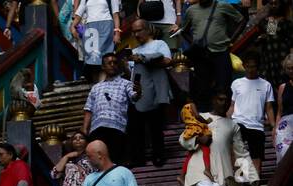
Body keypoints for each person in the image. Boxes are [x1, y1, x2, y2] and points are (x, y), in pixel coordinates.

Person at [126, 20, 173, 168]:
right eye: (134, 32)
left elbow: (167, 61)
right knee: (136, 128)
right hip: (139, 93)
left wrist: (144, 59)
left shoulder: (160, 44)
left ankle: (158, 155)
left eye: (139, 30)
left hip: (156, 90)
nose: (136, 34)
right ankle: (138, 157)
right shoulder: (134, 50)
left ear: (148, 30)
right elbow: (132, 73)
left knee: (156, 127)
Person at [181, 0, 245, 107]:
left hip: (221, 52)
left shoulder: (223, 6)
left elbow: (242, 21)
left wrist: (231, 40)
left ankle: (223, 115)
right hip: (201, 55)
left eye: (275, 3)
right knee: (202, 87)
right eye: (271, 3)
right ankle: (205, 116)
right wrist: (195, 44)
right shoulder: (191, 10)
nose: (273, 5)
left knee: (223, 86)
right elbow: (184, 30)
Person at [81, 53, 135, 165]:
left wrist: (139, 92)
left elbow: (134, 96)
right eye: (109, 63)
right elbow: (88, 109)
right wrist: (85, 129)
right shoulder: (96, 87)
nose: (112, 65)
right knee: (98, 162)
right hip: (97, 129)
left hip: (117, 128)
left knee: (115, 161)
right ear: (103, 67)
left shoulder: (126, 83)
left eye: (115, 62)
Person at [231, 51, 277, 179]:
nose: (251, 69)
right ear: (244, 66)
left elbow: (269, 108)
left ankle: (255, 179)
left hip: (257, 125)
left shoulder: (266, 84)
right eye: (248, 66)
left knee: (257, 154)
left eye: (254, 66)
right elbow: (232, 105)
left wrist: (273, 126)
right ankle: (241, 176)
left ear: (258, 67)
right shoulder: (237, 83)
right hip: (238, 121)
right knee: (237, 149)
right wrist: (224, 120)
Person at [71, 0, 121, 81]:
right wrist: (72, 26)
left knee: (102, 58)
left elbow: (115, 15)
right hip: (90, 29)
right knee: (92, 60)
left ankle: (102, 86)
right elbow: (79, 12)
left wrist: (117, 33)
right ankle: (96, 88)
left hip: (106, 27)